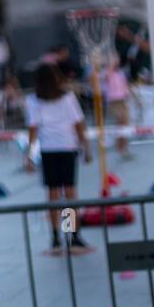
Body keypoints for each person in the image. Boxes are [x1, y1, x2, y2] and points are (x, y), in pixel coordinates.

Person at [25, 62, 93, 254]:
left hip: (48, 149)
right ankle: (73, 234)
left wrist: (29, 155)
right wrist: (86, 147)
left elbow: (33, 129)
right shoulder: (68, 97)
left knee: (53, 194)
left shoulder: (33, 100)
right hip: (67, 147)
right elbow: (79, 124)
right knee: (70, 193)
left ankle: (55, 236)